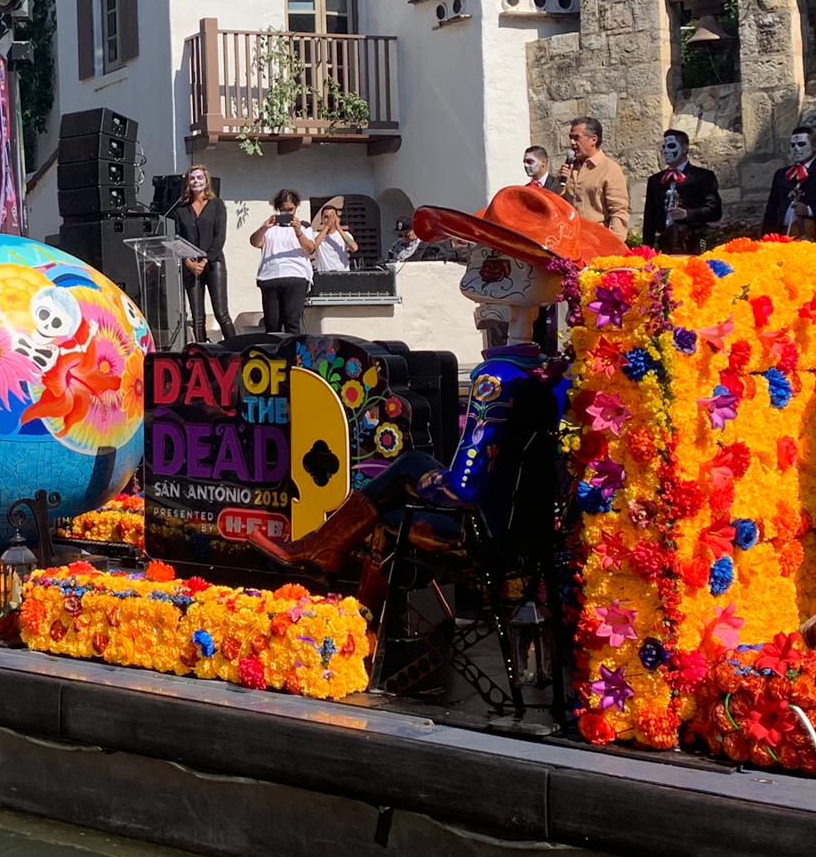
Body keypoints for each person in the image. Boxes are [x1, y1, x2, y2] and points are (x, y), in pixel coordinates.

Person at [249, 183, 628, 574]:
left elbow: (462, 486)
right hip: (540, 532)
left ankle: (341, 577)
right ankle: (323, 547)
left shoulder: (495, 379)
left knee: (407, 473)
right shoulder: (559, 373)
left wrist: (418, 481)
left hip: (489, 534)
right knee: (409, 468)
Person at [171, 163, 235, 342]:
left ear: (206, 181)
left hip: (214, 263)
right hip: (191, 266)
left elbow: (219, 237)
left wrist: (205, 261)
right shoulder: (180, 209)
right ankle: (202, 352)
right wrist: (188, 262)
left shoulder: (216, 204)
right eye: (192, 178)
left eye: (199, 177)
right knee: (197, 317)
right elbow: (177, 239)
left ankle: (236, 350)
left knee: (221, 312)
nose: (196, 181)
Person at [641, 128, 722, 254]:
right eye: (664, 147)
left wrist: (687, 214)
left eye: (671, 146)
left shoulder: (703, 176)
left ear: (684, 149)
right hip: (664, 246)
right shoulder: (655, 180)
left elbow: (715, 211)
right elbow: (649, 219)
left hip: (694, 243)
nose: (666, 151)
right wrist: (646, 249)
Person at [249, 188, 317, 334]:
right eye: (283, 210)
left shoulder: (304, 226)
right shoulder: (270, 227)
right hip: (269, 277)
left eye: (290, 209)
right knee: (272, 325)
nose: (287, 213)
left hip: (295, 275)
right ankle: (274, 355)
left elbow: (310, 248)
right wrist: (264, 227)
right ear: (277, 209)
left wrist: (298, 232)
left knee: (291, 322)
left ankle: (292, 355)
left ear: (296, 207)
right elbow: (255, 242)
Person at [762, 126, 816, 240]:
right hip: (782, 235)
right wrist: (766, 237)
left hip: (814, 234)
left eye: (801, 144)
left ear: (814, 147)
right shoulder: (782, 174)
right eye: (793, 145)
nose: (796, 148)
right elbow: (771, 209)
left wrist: (810, 210)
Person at [558, 116, 629, 236]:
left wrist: (613, 244)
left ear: (594, 140)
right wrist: (560, 184)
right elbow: (560, 207)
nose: (572, 143)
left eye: (576, 138)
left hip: (598, 240)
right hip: (571, 240)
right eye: (571, 138)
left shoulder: (610, 169)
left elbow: (619, 211)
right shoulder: (569, 168)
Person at [312, 200, 359, 274]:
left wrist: (338, 227)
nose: (329, 219)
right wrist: (327, 226)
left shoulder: (345, 234)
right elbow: (312, 247)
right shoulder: (316, 235)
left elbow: (354, 248)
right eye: (326, 217)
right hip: (324, 275)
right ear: (322, 220)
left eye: (332, 216)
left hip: (342, 274)